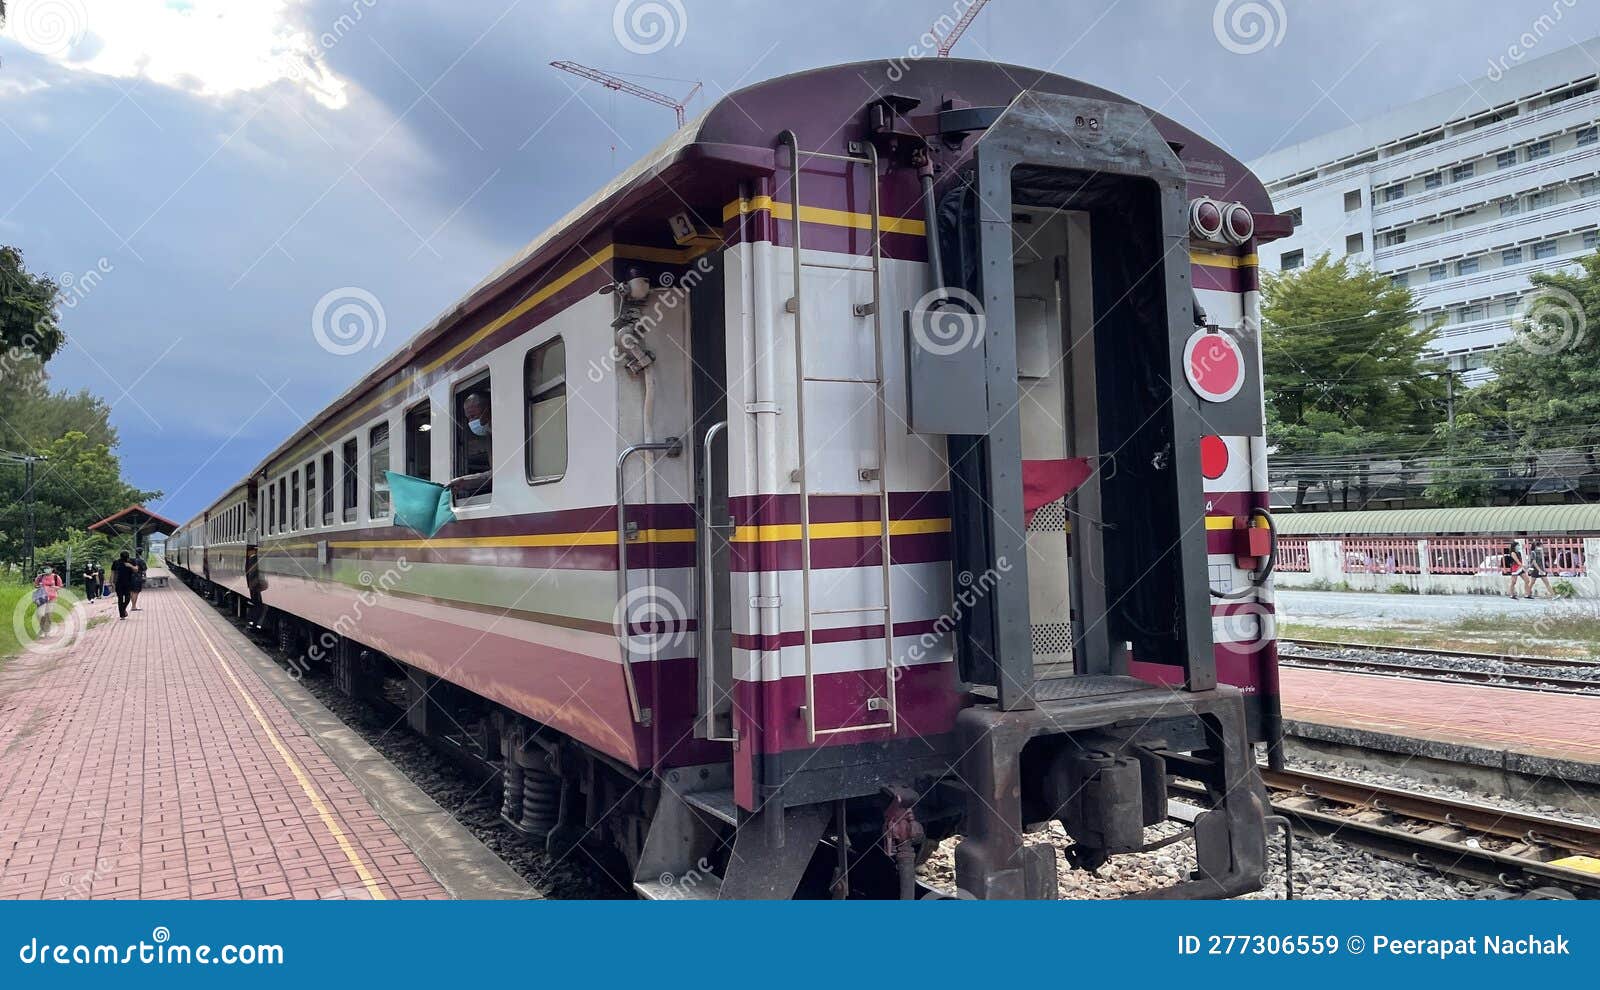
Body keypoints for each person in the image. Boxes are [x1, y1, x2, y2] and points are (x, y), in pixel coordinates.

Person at [33, 567, 63, 635]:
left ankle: (47, 630)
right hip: (42, 598)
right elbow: (35, 585)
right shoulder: (40, 577)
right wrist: (39, 586)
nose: (47, 570)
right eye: (45, 568)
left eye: (48, 568)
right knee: (40, 614)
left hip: (52, 597)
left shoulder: (56, 577)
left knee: (48, 614)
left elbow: (60, 586)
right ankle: (42, 628)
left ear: (52, 569)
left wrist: (54, 587)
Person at [112, 551, 136, 619]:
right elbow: (113, 572)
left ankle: (123, 609)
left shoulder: (131, 562)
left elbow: (136, 570)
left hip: (128, 582)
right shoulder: (116, 562)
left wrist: (130, 565)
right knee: (120, 598)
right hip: (118, 583)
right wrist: (112, 582)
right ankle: (122, 615)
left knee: (128, 598)